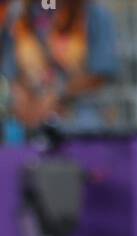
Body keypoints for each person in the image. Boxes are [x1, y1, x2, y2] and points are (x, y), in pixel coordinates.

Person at [0, 0, 119, 140]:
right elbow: (10, 71)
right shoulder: (19, 14)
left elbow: (100, 73)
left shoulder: (94, 14)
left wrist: (56, 95)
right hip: (30, 120)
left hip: (80, 118)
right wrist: (22, 99)